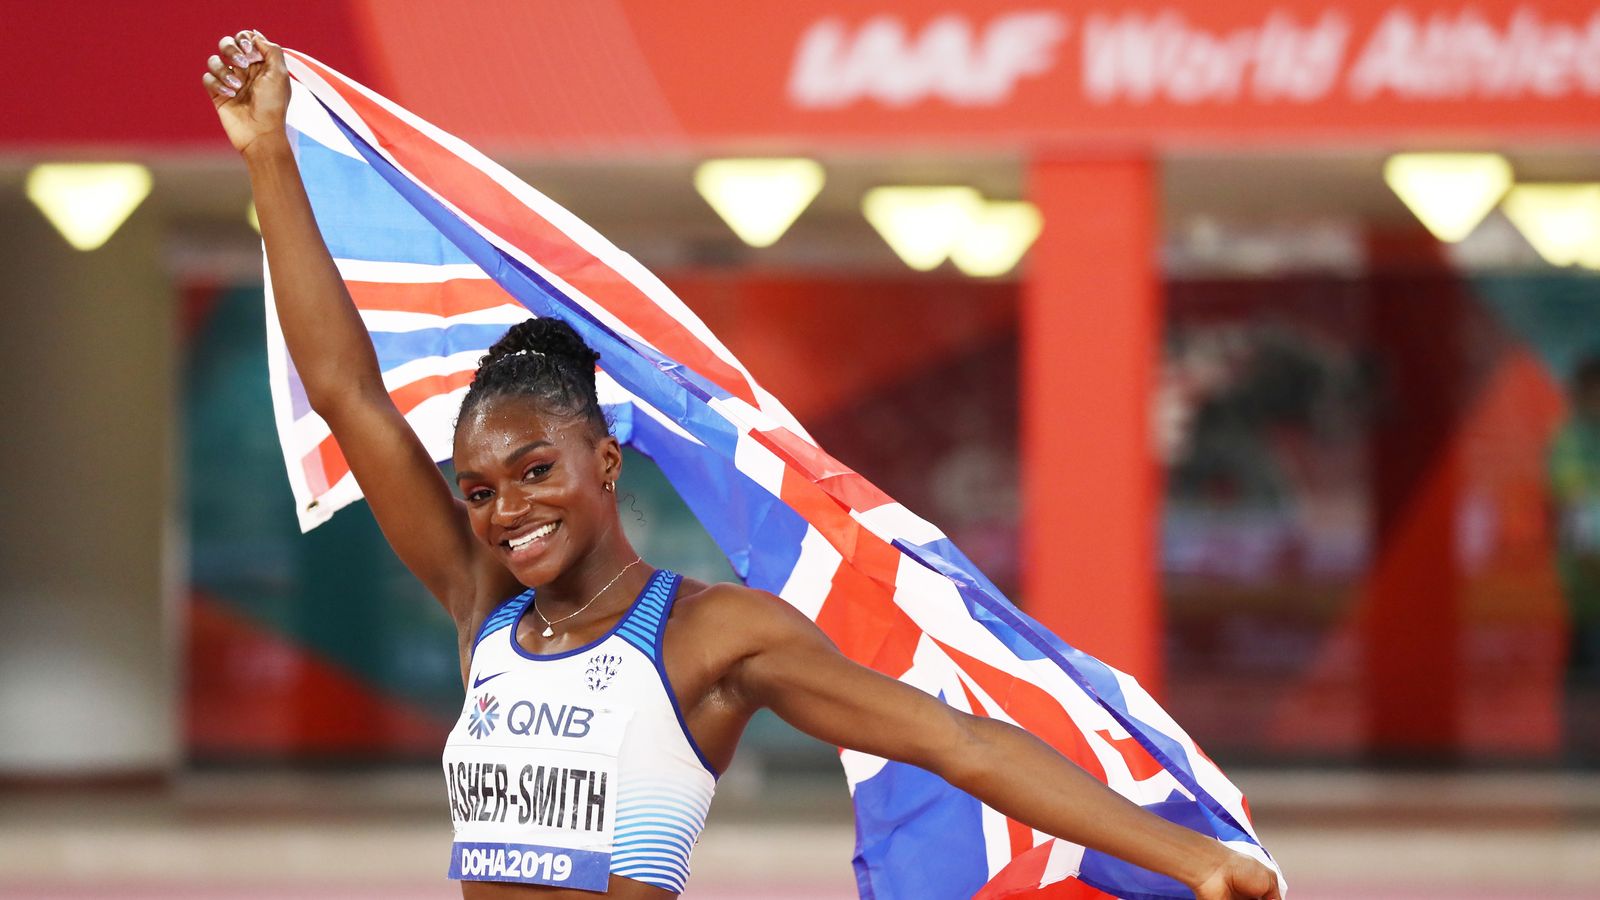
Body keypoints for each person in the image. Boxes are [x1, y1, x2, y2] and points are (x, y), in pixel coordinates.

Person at [201, 29, 1283, 900]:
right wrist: (268, 158)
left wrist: (1186, 858)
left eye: (535, 471)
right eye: (479, 490)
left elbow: (956, 741)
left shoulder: (713, 634)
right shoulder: (484, 607)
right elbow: (349, 393)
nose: (503, 512)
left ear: (608, 459)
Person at [1550, 355, 1600, 764]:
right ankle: (1582, 757)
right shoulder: (1572, 442)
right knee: (1587, 664)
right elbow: (1577, 508)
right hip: (1588, 581)